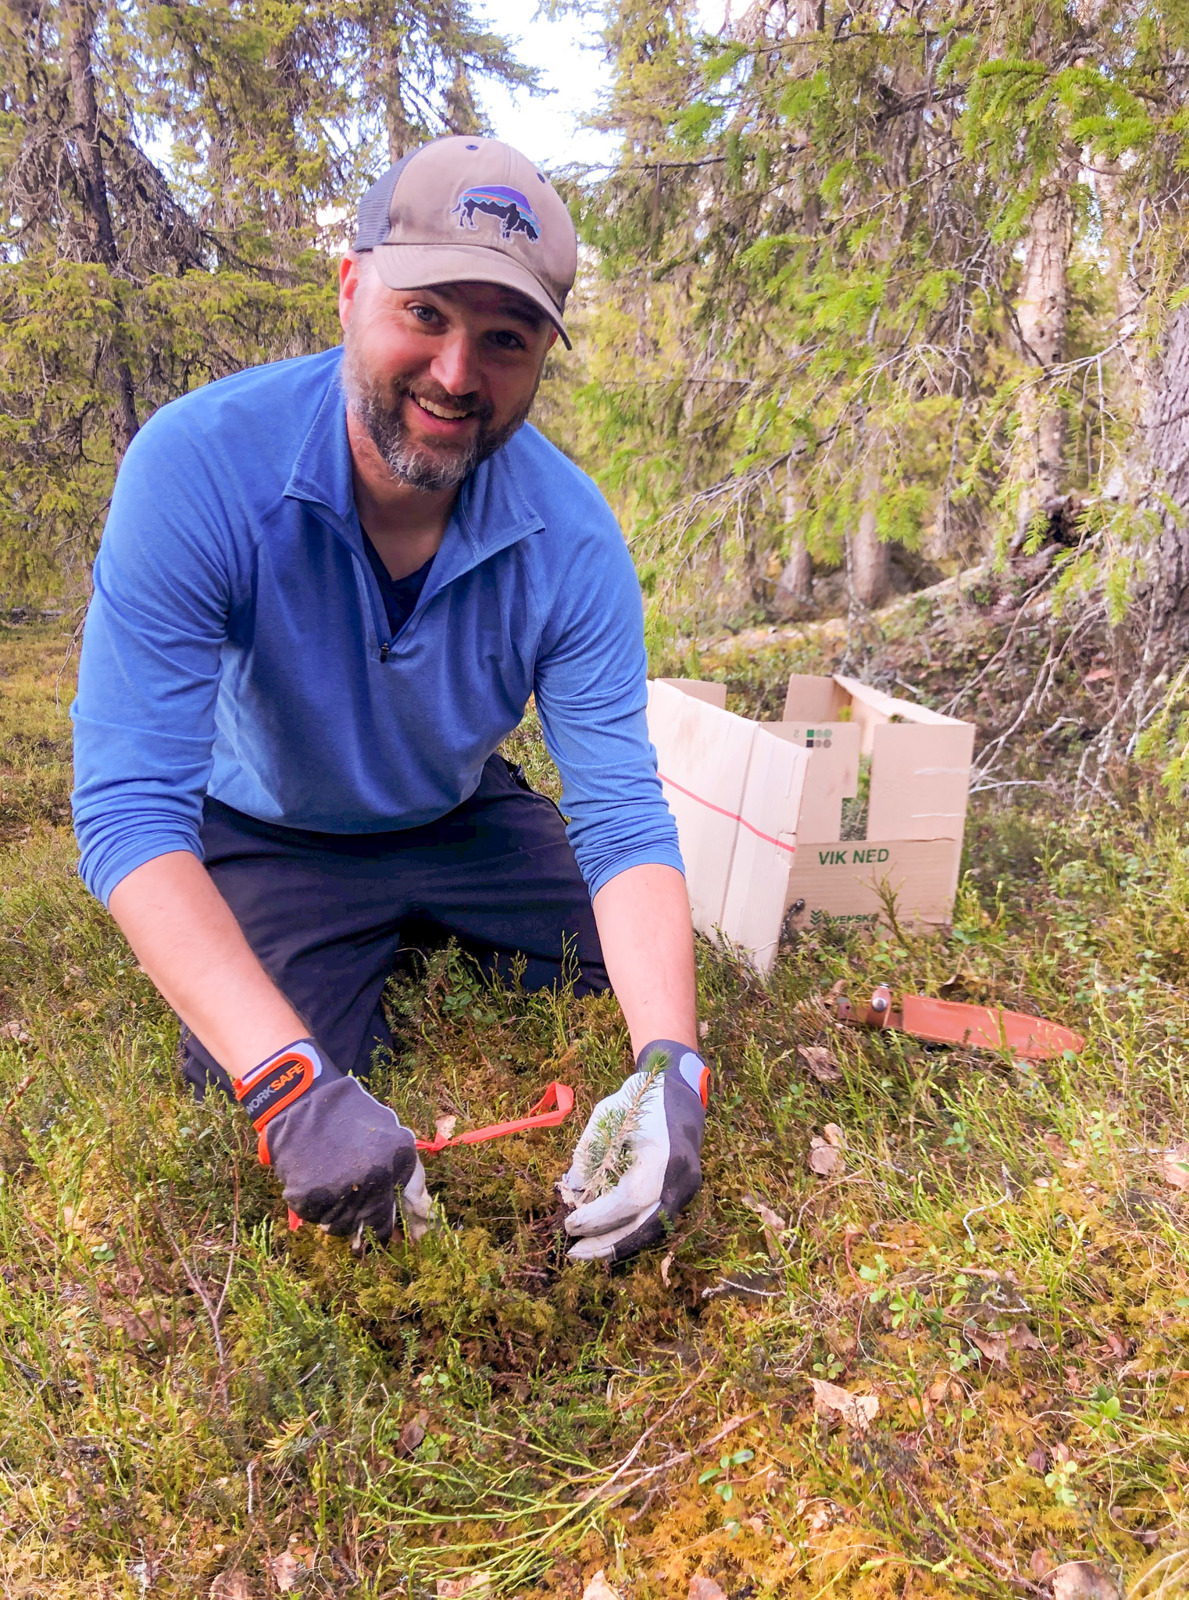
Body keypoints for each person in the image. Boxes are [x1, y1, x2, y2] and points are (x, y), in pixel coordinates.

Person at [71, 136, 710, 1263]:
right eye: (425, 313)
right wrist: (293, 1088)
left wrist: (673, 1066)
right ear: (351, 285)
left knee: (641, 970)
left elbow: (619, 814)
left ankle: (406, 933)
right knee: (250, 1077)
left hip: (460, 818)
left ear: (539, 359)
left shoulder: (572, 533)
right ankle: (341, 973)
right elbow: (128, 809)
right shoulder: (198, 467)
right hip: (269, 832)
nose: (457, 374)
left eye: (504, 339)